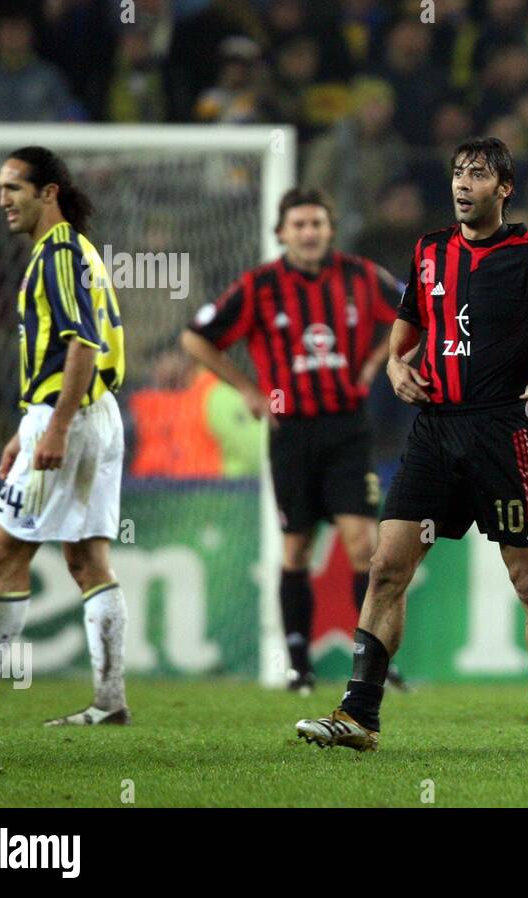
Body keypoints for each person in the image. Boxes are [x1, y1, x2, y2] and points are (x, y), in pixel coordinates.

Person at [294, 137, 528, 755]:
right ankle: (359, 716)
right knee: (385, 569)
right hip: (433, 432)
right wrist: (397, 367)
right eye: (458, 173)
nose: (463, 184)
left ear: (504, 187)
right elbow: (408, 326)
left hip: (501, 432)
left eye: (478, 175)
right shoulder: (430, 251)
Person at [0, 147, 128, 726]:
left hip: (72, 415)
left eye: (13, 188)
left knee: (4, 554)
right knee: (89, 559)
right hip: (94, 414)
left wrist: (56, 425)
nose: (1, 200)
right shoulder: (74, 249)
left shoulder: (58, 255)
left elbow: (82, 345)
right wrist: (27, 427)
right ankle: (110, 700)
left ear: (49, 193)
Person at [181, 187, 401, 695]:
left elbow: (415, 314)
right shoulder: (259, 286)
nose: (308, 232)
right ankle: (299, 666)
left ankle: (374, 665)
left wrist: (375, 363)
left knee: (364, 546)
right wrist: (248, 390)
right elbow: (196, 337)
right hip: (291, 431)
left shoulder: (361, 276)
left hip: (348, 427)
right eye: (298, 224)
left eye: (316, 223)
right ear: (281, 233)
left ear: (329, 229)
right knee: (297, 548)